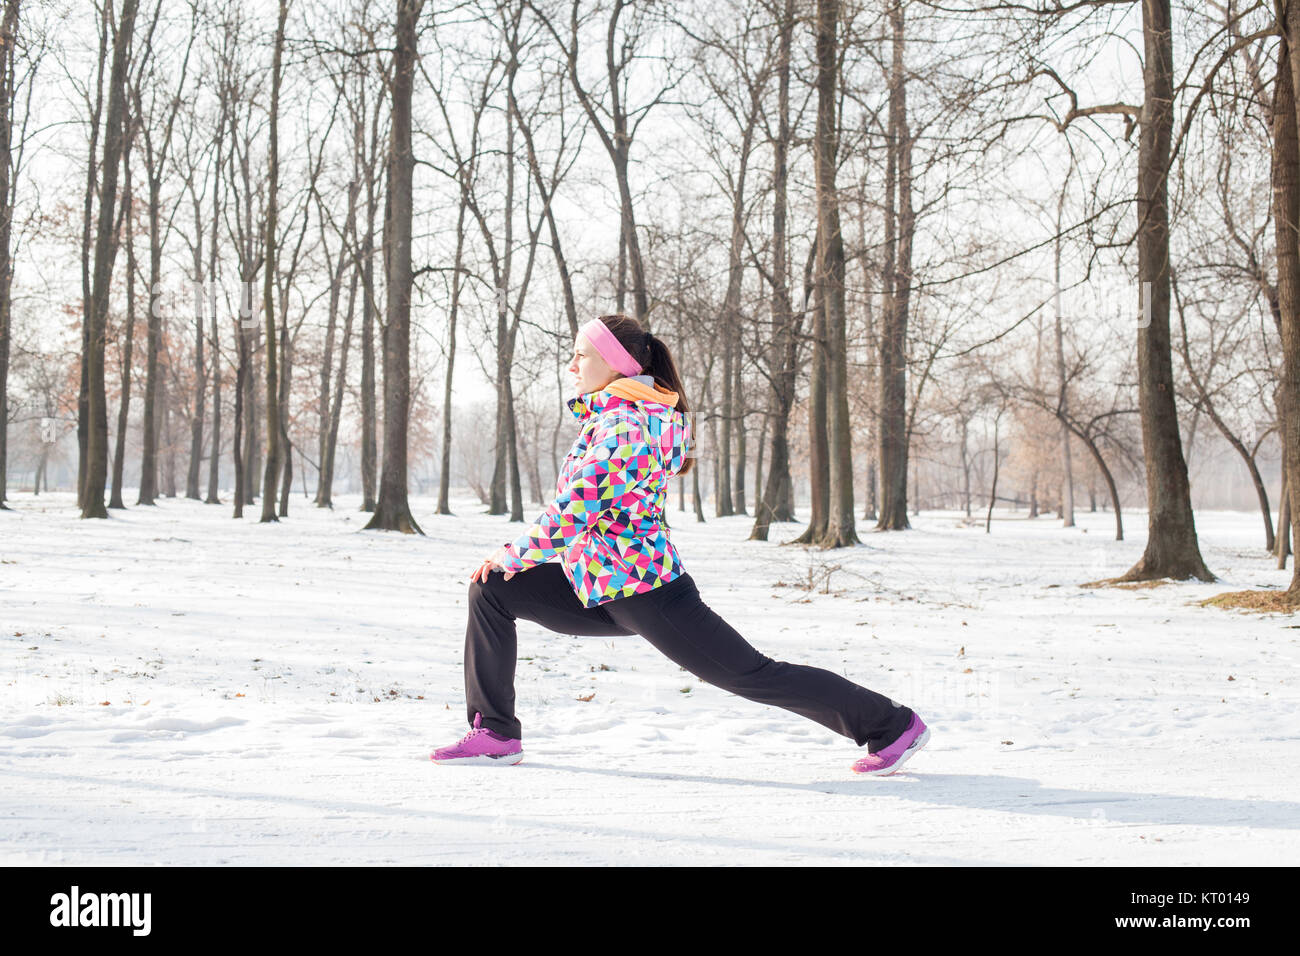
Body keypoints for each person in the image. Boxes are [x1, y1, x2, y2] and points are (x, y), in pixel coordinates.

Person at [431, 313, 929, 775]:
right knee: (492, 590)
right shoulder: (616, 417)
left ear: (614, 364)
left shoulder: (626, 425)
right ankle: (495, 733)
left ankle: (891, 725)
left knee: (753, 675)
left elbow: (576, 509)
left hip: (647, 593)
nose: (571, 365)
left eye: (581, 354)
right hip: (599, 588)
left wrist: (513, 552)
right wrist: (509, 565)